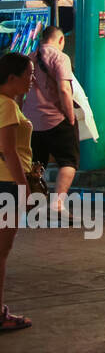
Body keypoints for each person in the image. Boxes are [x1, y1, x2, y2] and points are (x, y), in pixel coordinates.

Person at [24, 26, 80, 214]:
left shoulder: (29, 58)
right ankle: (57, 204)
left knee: (36, 164)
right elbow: (64, 90)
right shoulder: (60, 57)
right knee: (68, 161)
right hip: (56, 119)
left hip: (31, 120)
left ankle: (34, 205)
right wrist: (70, 117)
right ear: (61, 40)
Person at [0, 52, 35, 332]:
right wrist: (24, 187)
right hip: (6, 184)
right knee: (1, 251)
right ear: (11, 78)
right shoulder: (7, 107)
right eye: (28, 74)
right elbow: (9, 151)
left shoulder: (8, 104)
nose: (32, 79)